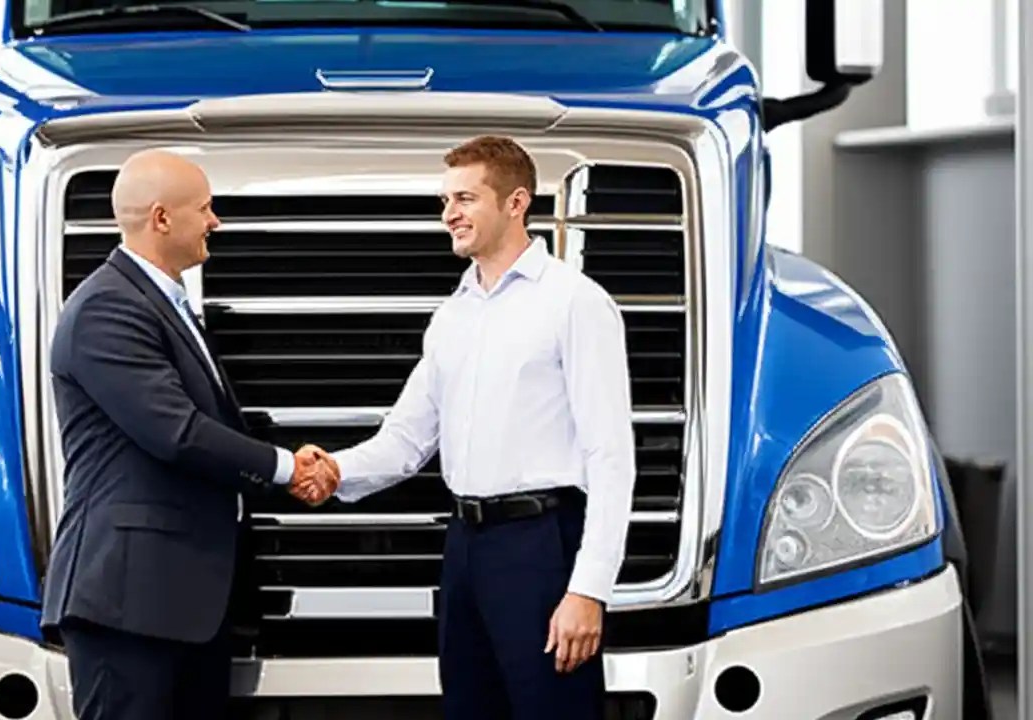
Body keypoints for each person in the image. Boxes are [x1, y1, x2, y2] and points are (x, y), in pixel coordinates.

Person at [293, 135, 637, 719]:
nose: (448, 213)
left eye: (465, 198)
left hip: (540, 545)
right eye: (445, 200)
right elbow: (406, 440)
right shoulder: (453, 315)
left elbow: (610, 456)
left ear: (516, 203)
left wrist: (588, 589)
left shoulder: (575, 302)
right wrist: (334, 471)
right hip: (465, 550)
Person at [40, 148, 327, 719]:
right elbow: (176, 431)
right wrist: (288, 468)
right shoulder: (106, 308)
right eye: (205, 208)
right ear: (162, 218)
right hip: (130, 602)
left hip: (179, 601)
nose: (215, 221)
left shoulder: (158, 303)